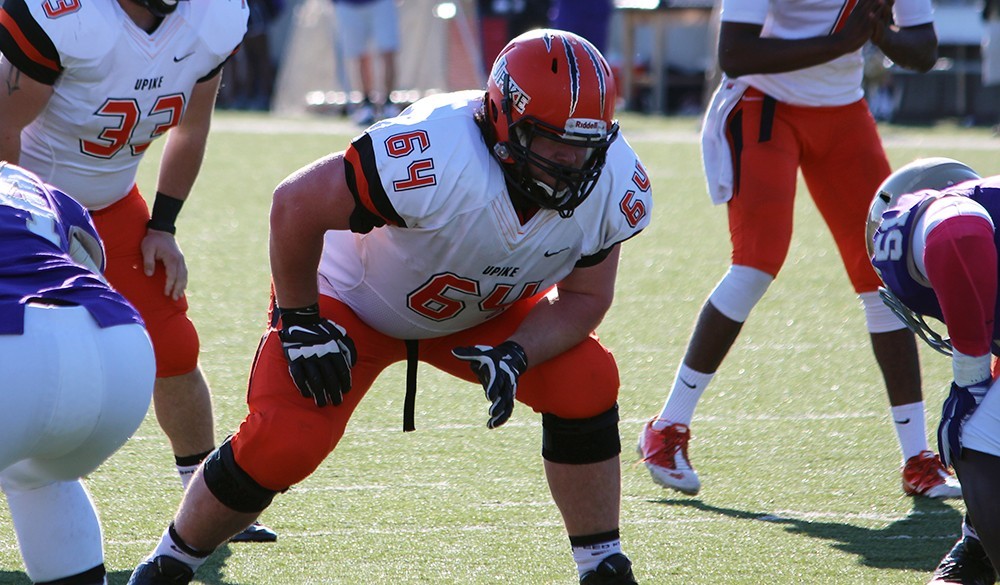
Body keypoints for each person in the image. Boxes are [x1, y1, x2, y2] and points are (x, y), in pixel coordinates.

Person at [126, 29, 651, 585]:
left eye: (586, 144)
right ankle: (169, 562)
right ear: (503, 119)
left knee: (587, 377)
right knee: (286, 438)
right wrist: (301, 321)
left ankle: (601, 565)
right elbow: (295, 205)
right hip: (350, 300)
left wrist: (519, 353)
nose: (573, 162)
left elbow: (586, 296)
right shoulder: (437, 150)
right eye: (552, 141)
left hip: (479, 316)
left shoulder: (613, 181)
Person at [636, 0, 959, 499]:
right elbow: (736, 52)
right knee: (755, 265)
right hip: (766, 103)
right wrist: (842, 42)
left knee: (882, 274)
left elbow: (923, 48)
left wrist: (880, 32)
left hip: (844, 110)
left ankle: (918, 458)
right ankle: (667, 428)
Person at [0, 0, 276, 542]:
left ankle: (206, 494)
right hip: (24, 199)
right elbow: (3, 127)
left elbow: (192, 128)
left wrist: (164, 225)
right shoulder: (66, 17)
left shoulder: (214, 18)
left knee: (172, 344)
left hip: (111, 202)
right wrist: (20, 223)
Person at [0, 162, 154, 585]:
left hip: (11, 349)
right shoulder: (26, 183)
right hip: (119, 349)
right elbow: (88, 261)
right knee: (36, 476)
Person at [865, 158, 1000, 585]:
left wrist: (969, 375)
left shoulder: (937, 210)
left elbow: (957, 231)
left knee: (974, 432)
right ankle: (976, 545)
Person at [331, 0, 401, 126]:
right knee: (359, 55)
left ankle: (389, 104)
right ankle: (367, 104)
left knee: (387, 51)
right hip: (349, 5)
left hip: (382, 3)